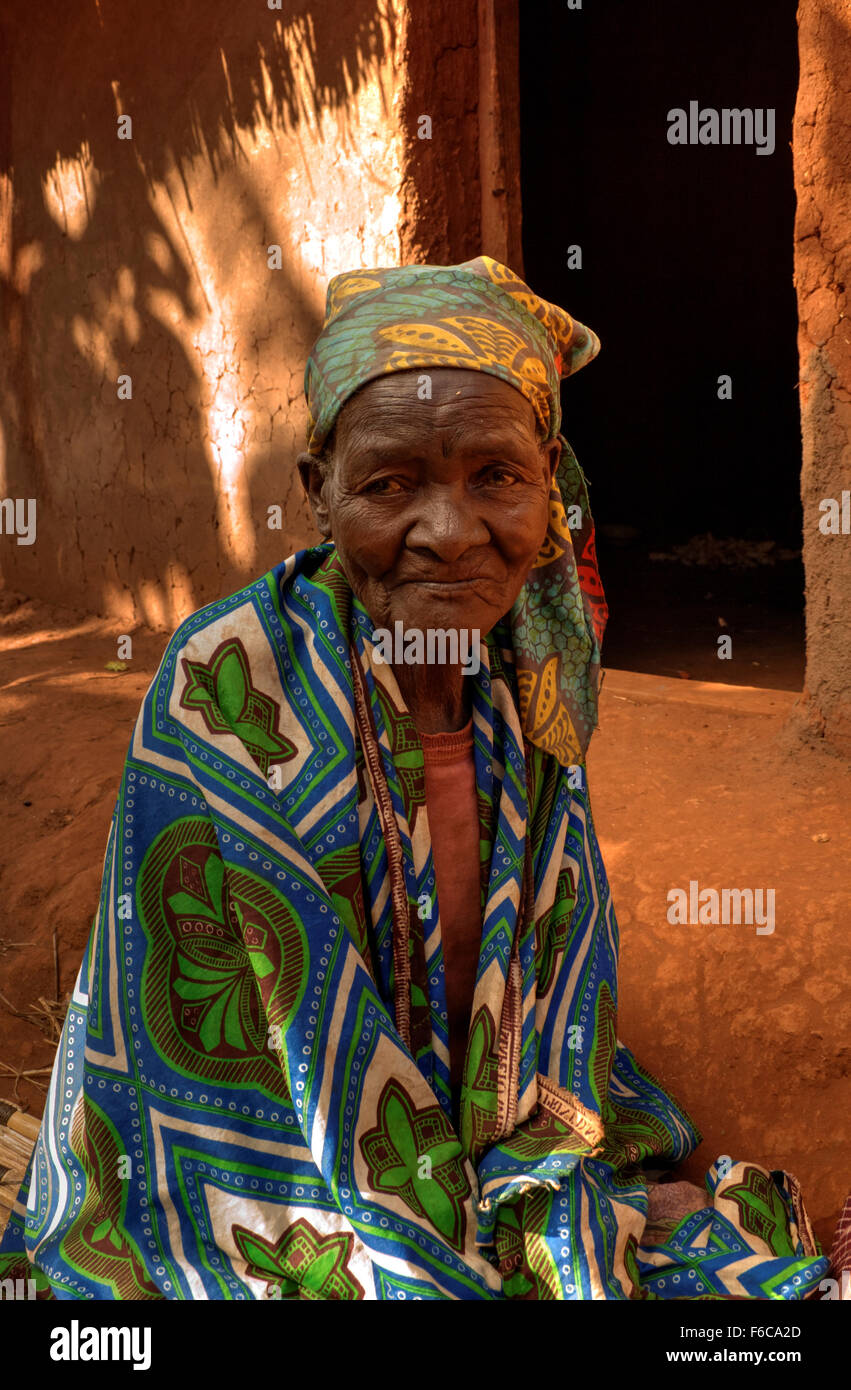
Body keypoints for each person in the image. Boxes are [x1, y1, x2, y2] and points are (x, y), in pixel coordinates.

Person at [0, 257, 829, 1299]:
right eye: (390, 485)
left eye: (496, 477)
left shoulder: (523, 690)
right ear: (318, 491)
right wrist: (446, 1238)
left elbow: (549, 983)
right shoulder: (230, 689)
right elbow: (287, 1054)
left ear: (550, 484)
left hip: (477, 1142)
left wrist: (524, 1173)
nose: (448, 533)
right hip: (266, 1171)